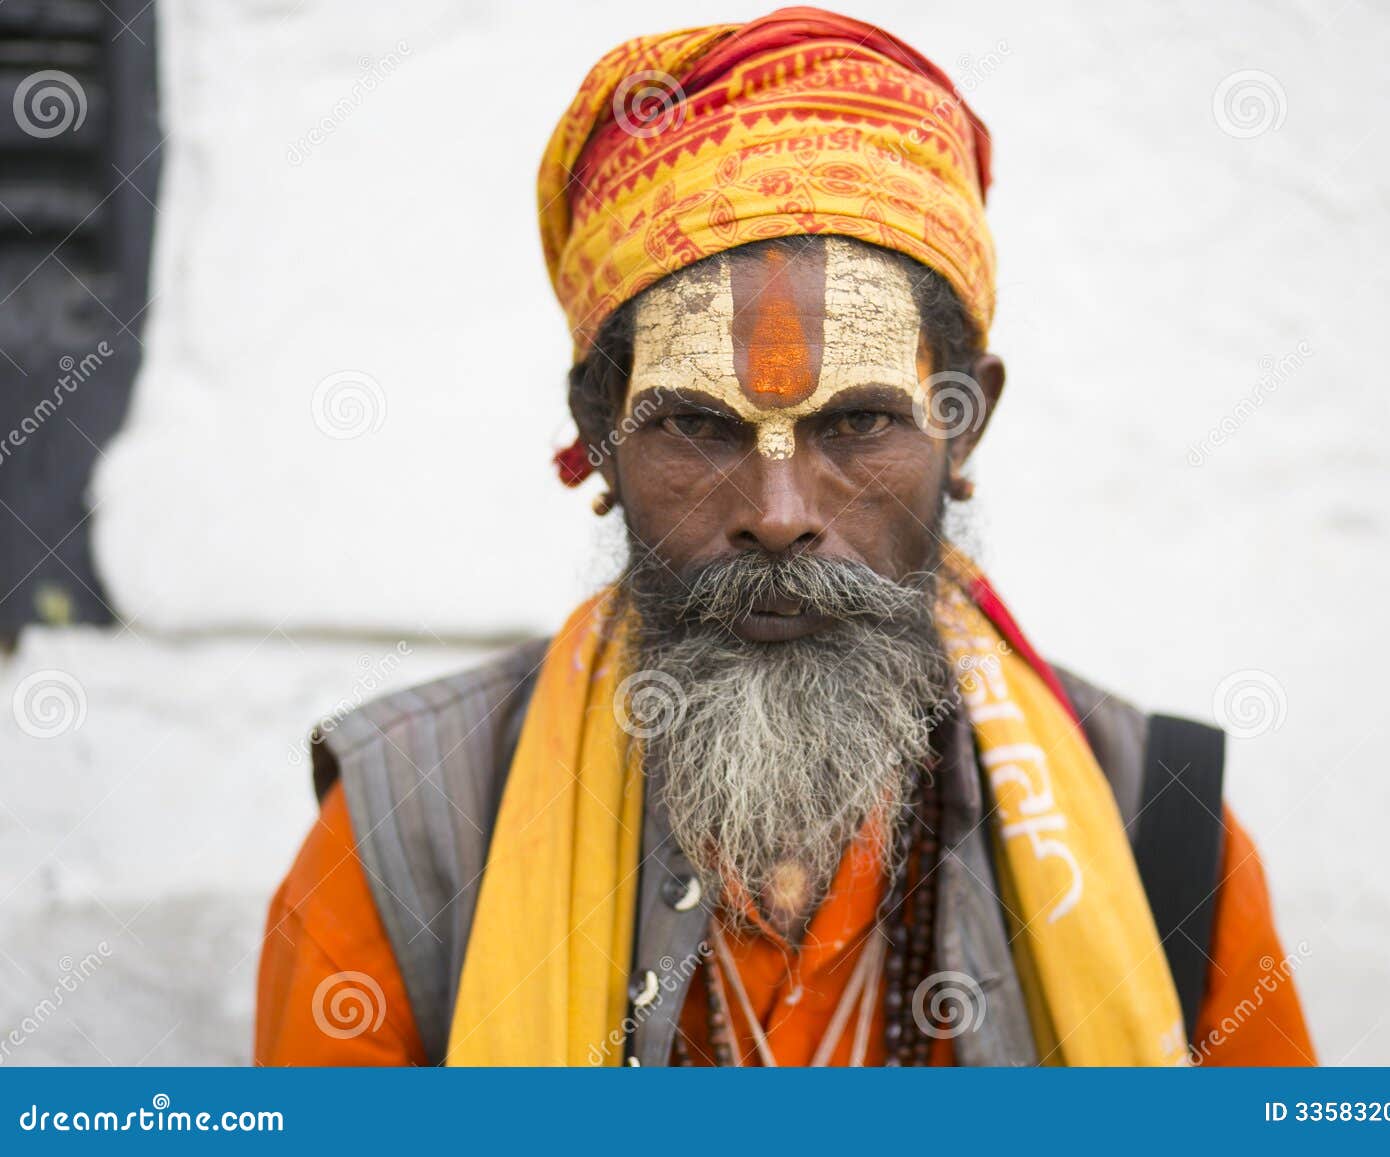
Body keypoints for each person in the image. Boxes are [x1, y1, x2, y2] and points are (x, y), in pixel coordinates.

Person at [255, 6, 1314, 1067]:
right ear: (599, 441)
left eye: (856, 422)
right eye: (698, 425)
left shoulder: (1162, 843)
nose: (777, 509)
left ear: (960, 422)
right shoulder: (407, 839)